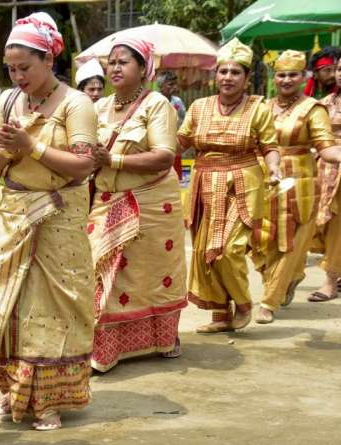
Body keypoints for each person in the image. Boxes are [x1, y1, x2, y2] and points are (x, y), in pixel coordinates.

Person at [0, 12, 96, 429]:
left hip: (59, 217)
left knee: (49, 310)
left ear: (49, 60)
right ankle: (14, 390)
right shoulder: (7, 102)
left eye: (25, 67)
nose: (17, 76)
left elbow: (82, 167)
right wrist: (9, 153)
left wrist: (33, 148)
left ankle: (48, 401)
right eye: (11, 69)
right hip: (11, 214)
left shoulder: (76, 103)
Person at [87, 37, 186, 372]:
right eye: (111, 61)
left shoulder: (157, 104)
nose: (114, 67)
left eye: (123, 61)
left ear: (143, 69)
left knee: (152, 274)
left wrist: (111, 160)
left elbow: (164, 156)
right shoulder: (98, 107)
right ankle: (106, 346)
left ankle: (163, 337)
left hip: (151, 203)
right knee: (99, 269)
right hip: (104, 201)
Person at [178, 38, 282, 333]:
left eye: (236, 72)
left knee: (227, 249)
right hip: (203, 184)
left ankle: (244, 303)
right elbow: (180, 141)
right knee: (202, 252)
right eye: (223, 71)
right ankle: (220, 314)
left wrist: (273, 167)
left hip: (242, 184)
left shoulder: (258, 109)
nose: (228, 77)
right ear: (216, 76)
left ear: (247, 78)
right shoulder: (199, 107)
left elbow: (270, 147)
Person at [254, 50, 341, 322]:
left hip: (301, 183)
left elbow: (325, 147)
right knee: (261, 244)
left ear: (304, 77)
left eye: (293, 74)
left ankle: (269, 302)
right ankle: (293, 277)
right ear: (274, 78)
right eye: (281, 75)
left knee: (289, 244)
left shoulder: (312, 108)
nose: (286, 80)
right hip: (265, 180)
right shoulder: (263, 107)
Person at [310, 59, 341, 302]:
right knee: (333, 226)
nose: (340, 74)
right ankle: (331, 280)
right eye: (340, 69)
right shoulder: (325, 104)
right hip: (330, 170)